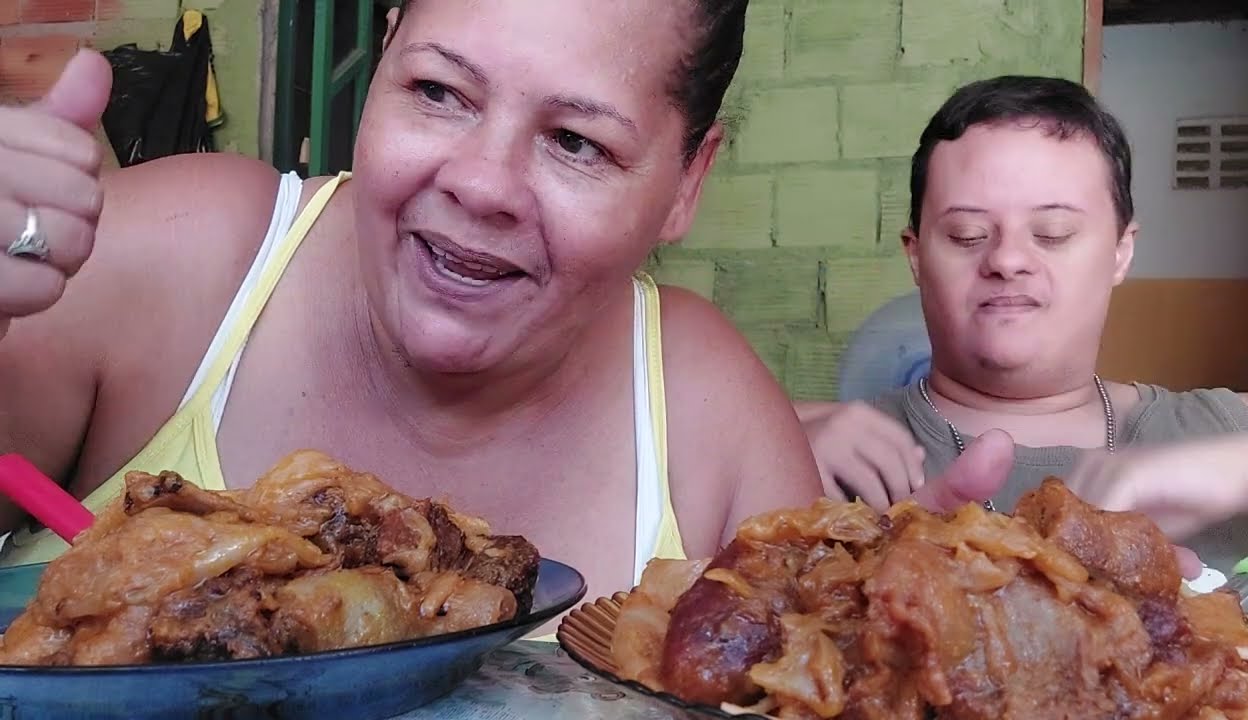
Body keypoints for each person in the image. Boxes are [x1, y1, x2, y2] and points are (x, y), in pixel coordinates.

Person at [0, 0, 847, 598]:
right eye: (439, 92)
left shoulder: (714, 419)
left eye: (576, 142)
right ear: (386, 54)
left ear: (686, 181)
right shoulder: (177, 256)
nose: (481, 184)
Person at [800, 75, 1248, 575]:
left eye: (1052, 233)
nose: (1007, 259)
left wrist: (1247, 471)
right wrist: (780, 437)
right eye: (968, 235)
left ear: (1121, 251)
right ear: (917, 256)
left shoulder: (1229, 429)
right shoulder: (832, 450)